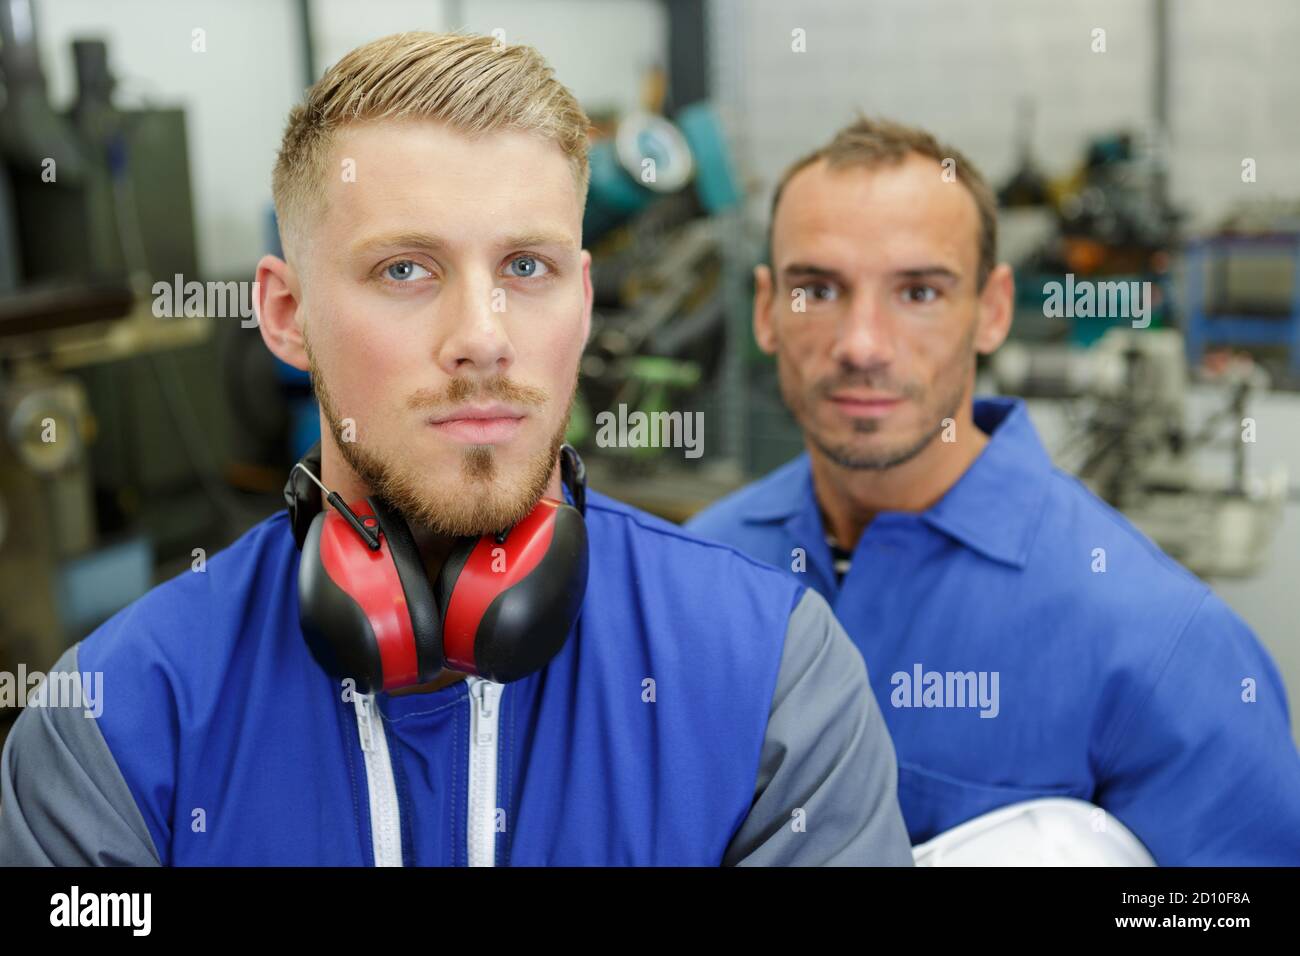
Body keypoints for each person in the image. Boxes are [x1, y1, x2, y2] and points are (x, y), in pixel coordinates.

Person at [0, 35, 913, 867]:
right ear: (286, 315)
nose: (482, 335)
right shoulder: (111, 731)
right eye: (406, 270)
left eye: (527, 268)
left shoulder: (773, 681)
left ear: (583, 300)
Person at [687, 116, 1300, 865]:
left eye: (919, 291)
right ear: (765, 310)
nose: (862, 345)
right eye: (817, 288)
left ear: (994, 309)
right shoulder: (700, 574)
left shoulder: (1156, 640)